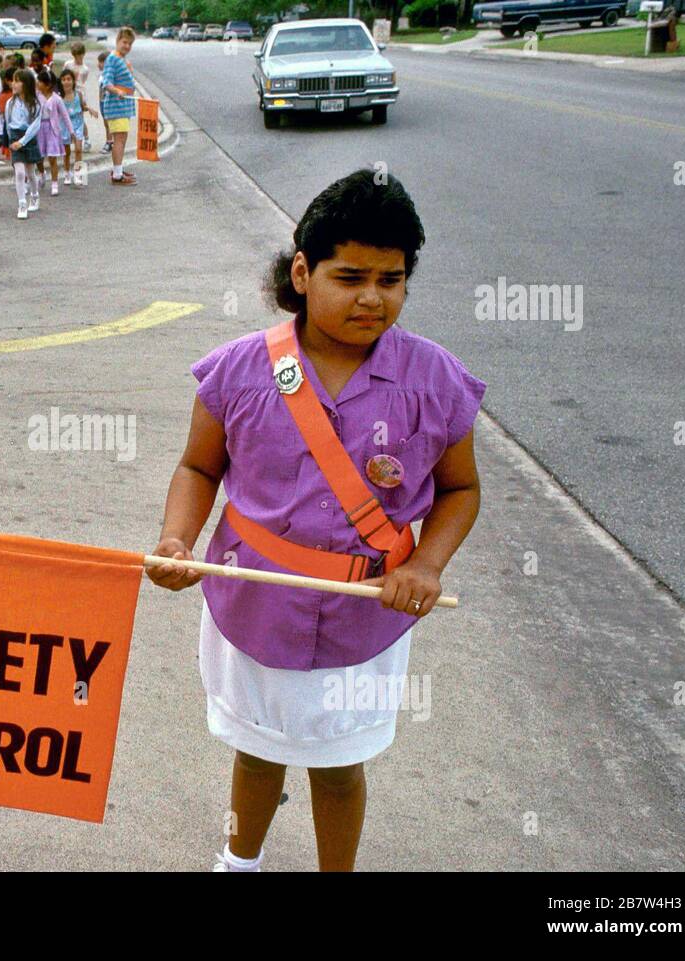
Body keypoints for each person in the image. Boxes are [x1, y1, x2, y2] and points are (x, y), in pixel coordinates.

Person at [147, 170, 486, 872]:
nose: (372, 296)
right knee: (257, 750)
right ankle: (240, 861)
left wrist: (426, 565)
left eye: (391, 279)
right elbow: (198, 469)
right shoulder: (238, 371)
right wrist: (176, 538)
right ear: (302, 272)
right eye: (349, 274)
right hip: (254, 603)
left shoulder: (435, 380)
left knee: (338, 765)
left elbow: (460, 488)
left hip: (367, 616)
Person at [100, 27, 138, 185]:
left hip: (123, 106)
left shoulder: (121, 59)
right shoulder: (113, 59)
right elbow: (106, 82)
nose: (127, 46)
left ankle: (118, 169)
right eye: (124, 42)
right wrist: (117, 91)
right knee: (119, 140)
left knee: (122, 139)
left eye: (130, 44)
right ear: (117, 41)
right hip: (117, 106)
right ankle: (117, 175)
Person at [3, 68, 42, 219]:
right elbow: (8, 123)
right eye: (13, 80)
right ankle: (22, 204)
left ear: (26, 84)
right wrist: (11, 141)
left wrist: (23, 141)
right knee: (19, 172)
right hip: (15, 137)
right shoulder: (10, 103)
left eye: (18, 80)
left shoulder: (35, 104)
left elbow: (35, 125)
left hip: (28, 138)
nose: (14, 84)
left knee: (31, 172)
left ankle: (35, 195)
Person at [34, 69, 72, 197]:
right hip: (39, 129)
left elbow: (65, 115)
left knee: (52, 157)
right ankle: (42, 173)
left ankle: (54, 183)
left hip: (52, 129)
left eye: (40, 82)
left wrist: (71, 131)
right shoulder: (36, 96)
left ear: (48, 84)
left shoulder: (57, 99)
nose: (37, 84)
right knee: (39, 157)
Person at [58, 69, 96, 187]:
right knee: (67, 151)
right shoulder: (59, 97)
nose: (66, 82)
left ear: (73, 81)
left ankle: (79, 174)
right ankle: (67, 173)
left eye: (69, 79)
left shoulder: (78, 94)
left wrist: (89, 109)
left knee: (78, 149)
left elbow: (82, 106)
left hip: (78, 123)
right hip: (64, 125)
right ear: (61, 82)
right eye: (64, 80)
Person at [95, 49, 110, 153]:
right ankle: (109, 140)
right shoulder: (102, 75)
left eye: (100, 62)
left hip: (108, 103)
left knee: (109, 123)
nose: (98, 65)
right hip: (102, 101)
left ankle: (109, 142)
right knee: (106, 123)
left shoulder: (110, 76)